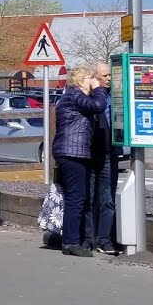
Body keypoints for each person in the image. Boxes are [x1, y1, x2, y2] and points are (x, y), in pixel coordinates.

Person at [52, 65, 109, 257]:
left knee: (75, 198)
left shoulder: (72, 96)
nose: (93, 80)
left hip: (72, 151)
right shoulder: (75, 95)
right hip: (72, 152)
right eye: (90, 78)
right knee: (76, 198)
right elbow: (99, 106)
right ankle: (71, 242)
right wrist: (99, 89)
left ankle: (70, 241)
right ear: (79, 81)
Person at [86, 62, 121, 255]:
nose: (108, 79)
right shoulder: (88, 97)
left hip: (109, 154)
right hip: (90, 154)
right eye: (104, 76)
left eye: (109, 76)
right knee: (89, 198)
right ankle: (88, 239)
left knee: (107, 199)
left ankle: (104, 240)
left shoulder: (115, 97)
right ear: (95, 77)